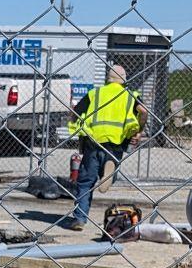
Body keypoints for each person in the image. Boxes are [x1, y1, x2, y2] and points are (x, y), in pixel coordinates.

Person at [59, 63, 142, 230]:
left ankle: (80, 219)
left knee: (85, 182)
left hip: (94, 141)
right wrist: (138, 131)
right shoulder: (130, 96)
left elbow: (75, 112)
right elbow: (144, 111)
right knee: (110, 173)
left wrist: (76, 123)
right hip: (117, 143)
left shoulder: (95, 93)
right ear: (124, 80)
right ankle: (108, 171)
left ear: (108, 79)